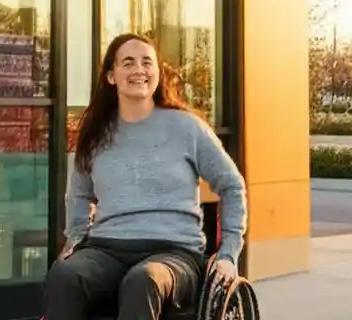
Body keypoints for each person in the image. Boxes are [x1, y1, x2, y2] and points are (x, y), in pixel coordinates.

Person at [43, 33, 247, 320]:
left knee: (144, 280)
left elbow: (231, 185)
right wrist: (75, 238)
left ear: (157, 73)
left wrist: (228, 253)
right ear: (112, 76)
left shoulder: (187, 128)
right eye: (128, 62)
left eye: (146, 62)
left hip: (175, 253)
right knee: (66, 275)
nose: (139, 70)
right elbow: (78, 193)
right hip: (107, 248)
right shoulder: (96, 134)